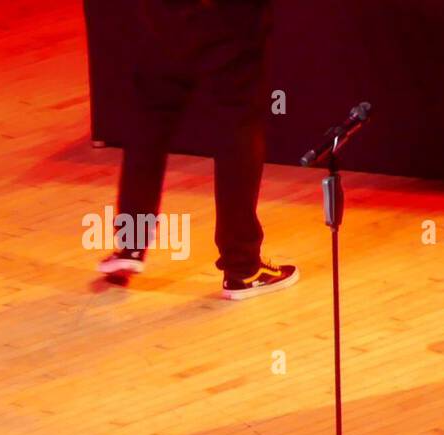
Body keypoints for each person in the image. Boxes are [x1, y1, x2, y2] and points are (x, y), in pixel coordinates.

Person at [97, 0, 297, 299]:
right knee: (239, 123)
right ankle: (243, 266)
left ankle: (131, 244)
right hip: (230, 18)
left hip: (162, 12)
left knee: (151, 116)